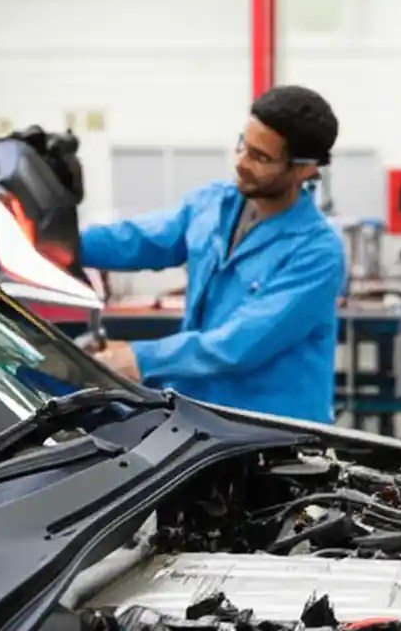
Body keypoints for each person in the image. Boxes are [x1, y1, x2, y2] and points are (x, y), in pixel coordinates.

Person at [82, 85, 346, 423]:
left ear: (304, 170)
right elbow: (139, 240)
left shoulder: (316, 251)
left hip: (273, 435)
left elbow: (238, 345)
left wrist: (140, 358)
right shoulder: (213, 204)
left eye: (260, 157)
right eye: (243, 146)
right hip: (201, 417)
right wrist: (62, 243)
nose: (241, 163)